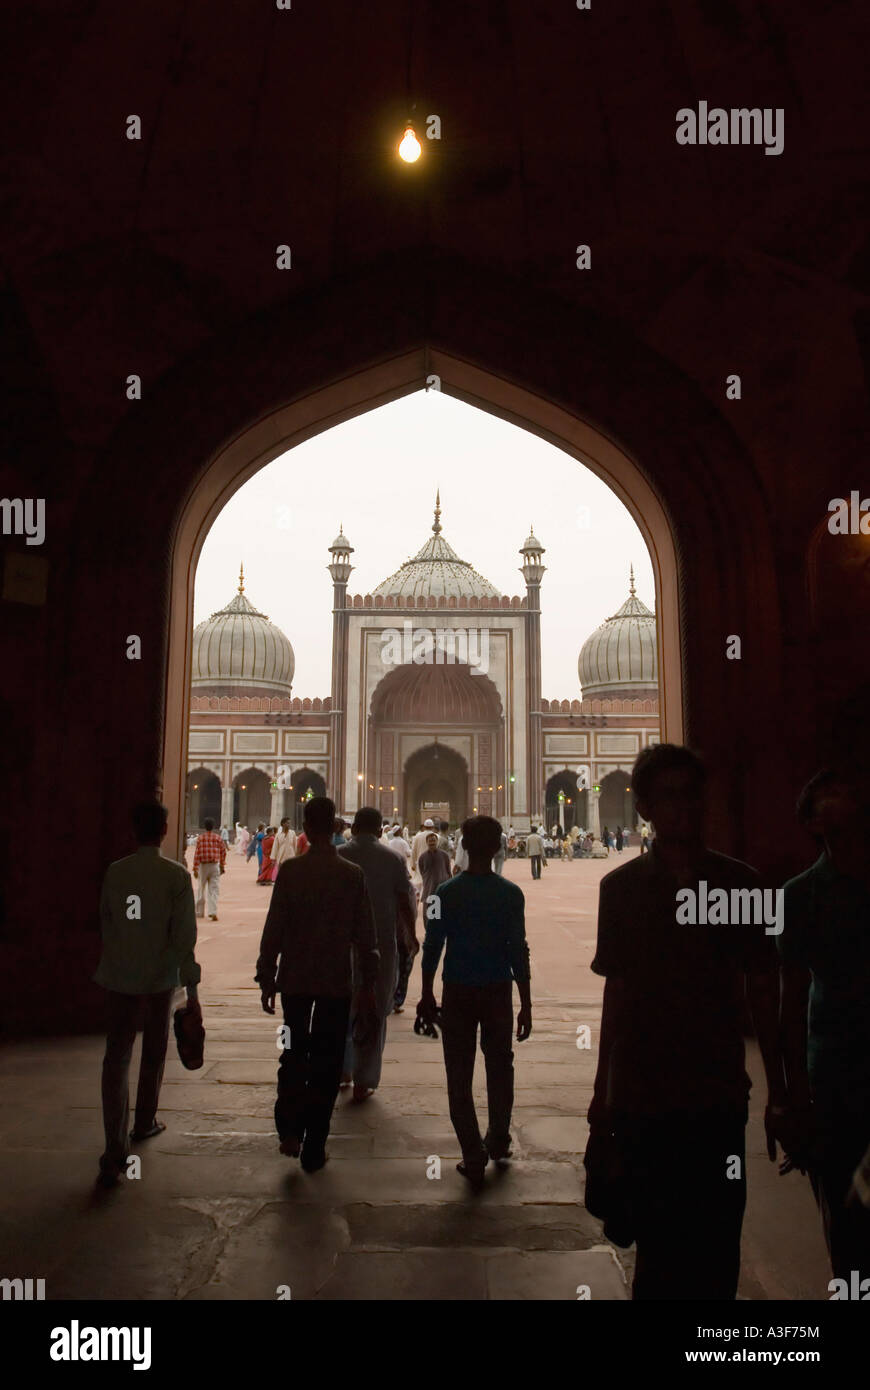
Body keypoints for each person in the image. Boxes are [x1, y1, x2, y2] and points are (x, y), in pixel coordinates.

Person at [587, 743, 788, 1300]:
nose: (682, 808)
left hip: (717, 1093)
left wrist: (781, 1092)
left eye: (691, 796)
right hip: (644, 1093)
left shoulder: (743, 886)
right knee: (654, 1243)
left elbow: (765, 987)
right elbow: (617, 994)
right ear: (645, 806)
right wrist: (602, 1095)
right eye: (667, 797)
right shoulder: (620, 890)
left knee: (718, 1239)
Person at [778, 769, 870, 1284]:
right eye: (824, 799)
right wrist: (790, 1098)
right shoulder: (799, 895)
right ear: (810, 821)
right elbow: (789, 1006)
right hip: (834, 1077)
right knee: (847, 1222)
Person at [255, 796, 380, 1172]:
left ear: (306, 829)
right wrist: (368, 989)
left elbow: (274, 927)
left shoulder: (291, 872)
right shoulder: (351, 874)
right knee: (326, 1061)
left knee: (291, 1051)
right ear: (337, 828)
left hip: (294, 983)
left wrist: (266, 976)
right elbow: (366, 940)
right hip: (335, 986)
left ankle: (290, 1131)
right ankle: (315, 1146)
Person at [418, 816, 532, 1186]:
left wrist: (425, 992)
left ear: (462, 846)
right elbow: (519, 951)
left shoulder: (443, 895)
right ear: (499, 847)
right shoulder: (511, 894)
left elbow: (432, 947)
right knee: (500, 1066)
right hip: (498, 991)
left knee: (458, 1072)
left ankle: (472, 1150)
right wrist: (526, 1001)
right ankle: (498, 1139)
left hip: (459, 992)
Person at [94, 801, 201, 1187]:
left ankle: (113, 1149)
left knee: (116, 1057)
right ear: (165, 830)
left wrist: (121, 954)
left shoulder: (117, 872)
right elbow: (184, 937)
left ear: (133, 829)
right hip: (159, 978)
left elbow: (107, 920)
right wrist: (191, 988)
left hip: (121, 976)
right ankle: (144, 1122)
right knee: (153, 1052)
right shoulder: (174, 875)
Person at [338, 808, 418, 1099]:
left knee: (342, 1007)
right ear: (381, 829)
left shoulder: (340, 856)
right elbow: (405, 901)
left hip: (342, 945)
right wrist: (411, 935)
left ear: (354, 828)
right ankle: (365, 1081)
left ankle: (343, 1071)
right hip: (381, 944)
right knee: (373, 1010)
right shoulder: (392, 859)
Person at [193, 816, 226, 920]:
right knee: (214, 889)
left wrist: (195, 868)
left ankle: (199, 912)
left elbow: (197, 854)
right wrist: (222, 865)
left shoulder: (200, 838)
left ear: (204, 826)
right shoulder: (218, 838)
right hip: (214, 865)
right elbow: (223, 852)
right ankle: (213, 911)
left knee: (201, 888)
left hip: (203, 866)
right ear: (213, 826)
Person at [419, 830, 452, 906]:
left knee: (442, 911)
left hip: (442, 887)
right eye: (430, 841)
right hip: (429, 888)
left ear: (437, 841)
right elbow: (422, 872)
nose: (432, 843)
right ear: (426, 842)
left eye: (434, 840)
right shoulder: (423, 857)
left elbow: (448, 871)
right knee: (429, 913)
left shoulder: (444, 855)